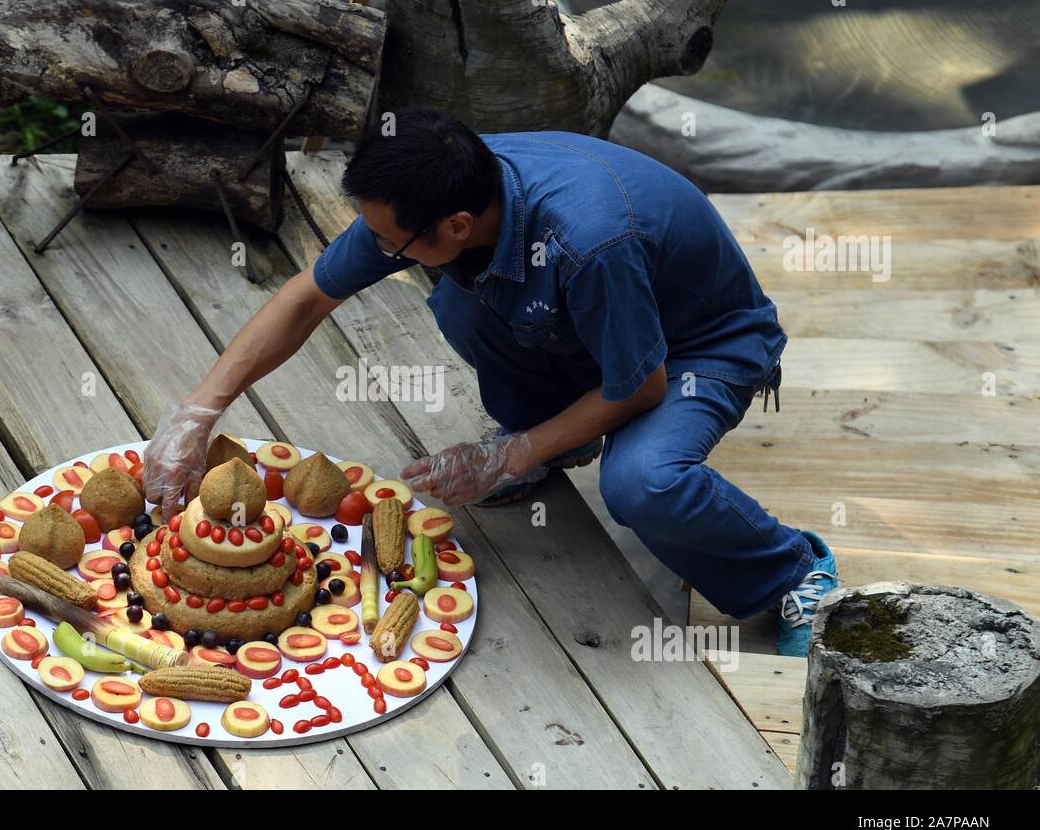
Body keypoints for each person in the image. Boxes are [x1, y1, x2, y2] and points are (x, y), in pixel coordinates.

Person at [144, 109, 839, 656]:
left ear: (456, 224)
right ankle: (553, 439)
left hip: (696, 348)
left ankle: (792, 570)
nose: (378, 247)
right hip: (594, 328)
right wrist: (198, 410)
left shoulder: (588, 238)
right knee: (460, 298)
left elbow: (642, 386)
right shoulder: (429, 190)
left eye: (390, 240)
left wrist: (507, 454)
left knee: (641, 482)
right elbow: (306, 299)